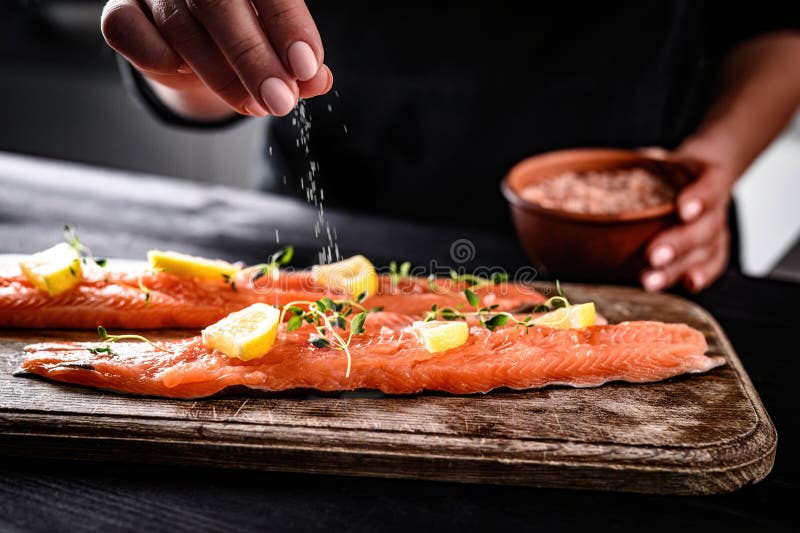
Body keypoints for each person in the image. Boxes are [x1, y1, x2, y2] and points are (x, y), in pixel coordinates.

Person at [100, 1, 800, 292]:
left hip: (644, 259)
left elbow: (775, 28)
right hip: (312, 256)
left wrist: (714, 159)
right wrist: (186, 57)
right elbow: (197, 83)